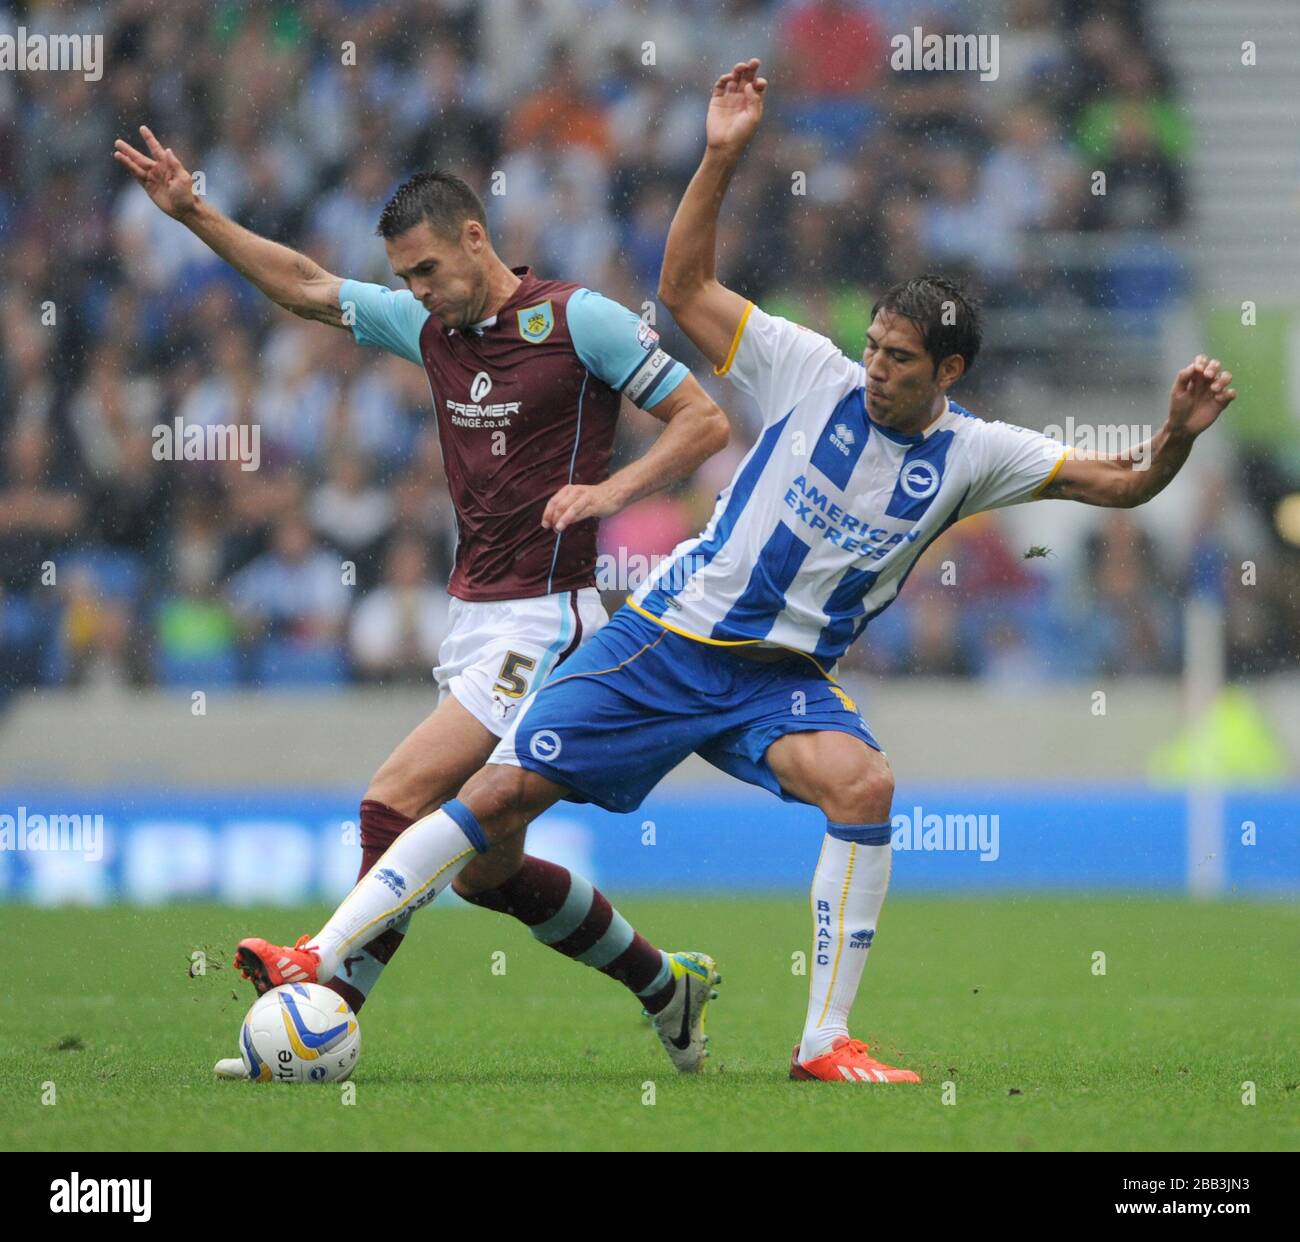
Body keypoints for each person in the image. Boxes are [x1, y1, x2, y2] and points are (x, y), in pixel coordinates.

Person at [232, 60, 1236, 1083]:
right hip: (667, 639)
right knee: (496, 802)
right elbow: (683, 290)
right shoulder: (808, 367)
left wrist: (1173, 440)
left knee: (864, 783)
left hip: (777, 682)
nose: (876, 367)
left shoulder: (974, 453)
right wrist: (719, 155)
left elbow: (1120, 483)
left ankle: (821, 1043)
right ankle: (320, 954)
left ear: (948, 375)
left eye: (899, 360)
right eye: (876, 346)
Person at [113, 127, 730, 1074]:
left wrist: (611, 494)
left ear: (477, 238)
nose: (418, 291)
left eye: (429, 269)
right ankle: (664, 986)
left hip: (549, 617)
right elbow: (308, 286)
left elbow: (703, 419)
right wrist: (196, 212)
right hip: (472, 615)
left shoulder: (581, 321)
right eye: (404, 278)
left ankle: (318, 999)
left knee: (393, 800)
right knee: (488, 873)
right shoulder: (431, 328)